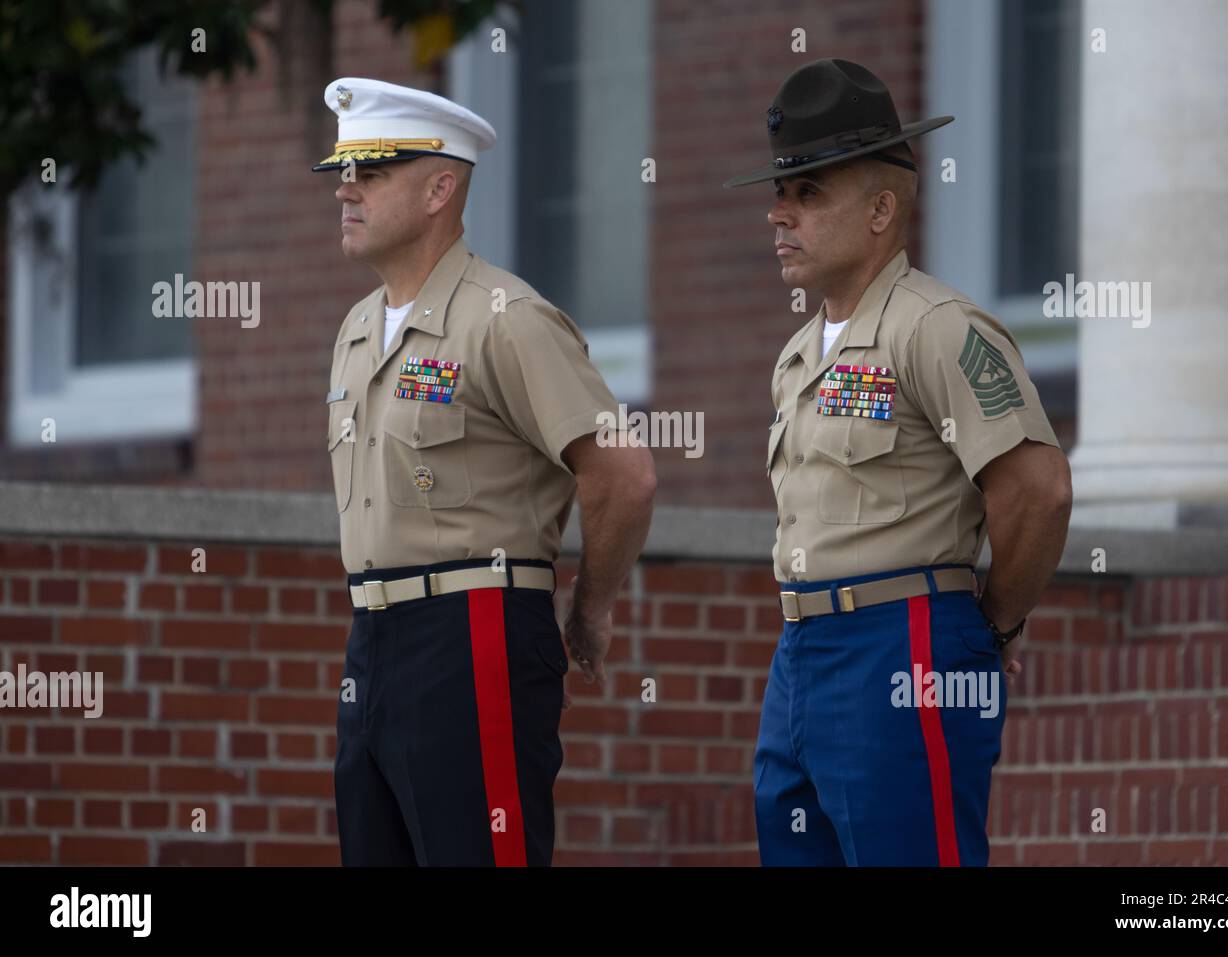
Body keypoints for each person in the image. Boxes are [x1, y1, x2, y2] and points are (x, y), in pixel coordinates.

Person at [723, 58, 1072, 866]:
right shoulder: (798, 355)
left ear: (882, 209)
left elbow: (1039, 489)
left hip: (907, 643)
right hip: (801, 650)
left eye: (808, 192)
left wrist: (992, 626)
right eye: (779, 192)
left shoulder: (938, 327)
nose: (780, 213)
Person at [314, 77, 655, 866]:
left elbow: (623, 474)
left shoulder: (507, 319)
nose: (347, 187)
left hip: (472, 632)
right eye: (342, 170)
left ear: (441, 186)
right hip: (371, 635)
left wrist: (590, 606)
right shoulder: (356, 330)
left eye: (373, 169)